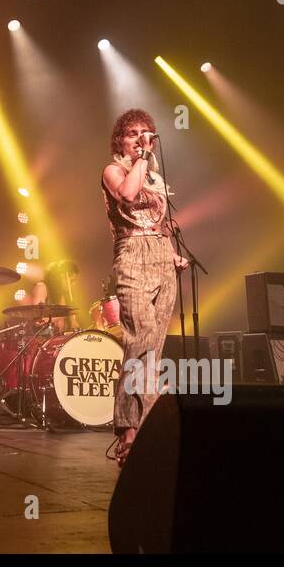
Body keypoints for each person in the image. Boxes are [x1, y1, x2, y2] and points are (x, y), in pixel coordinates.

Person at [101, 109, 189, 466]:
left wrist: (172, 254)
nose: (140, 138)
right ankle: (126, 425)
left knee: (154, 346)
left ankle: (145, 425)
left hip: (160, 256)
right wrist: (139, 160)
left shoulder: (155, 177)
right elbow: (126, 196)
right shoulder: (115, 170)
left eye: (146, 133)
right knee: (140, 337)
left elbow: (161, 222)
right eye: (132, 133)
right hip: (132, 251)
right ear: (120, 140)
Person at [30, 259, 82, 335]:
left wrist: (72, 322)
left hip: (59, 341)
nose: (73, 284)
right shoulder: (42, 287)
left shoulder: (62, 294)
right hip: (43, 341)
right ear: (62, 276)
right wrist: (65, 314)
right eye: (72, 280)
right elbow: (38, 321)